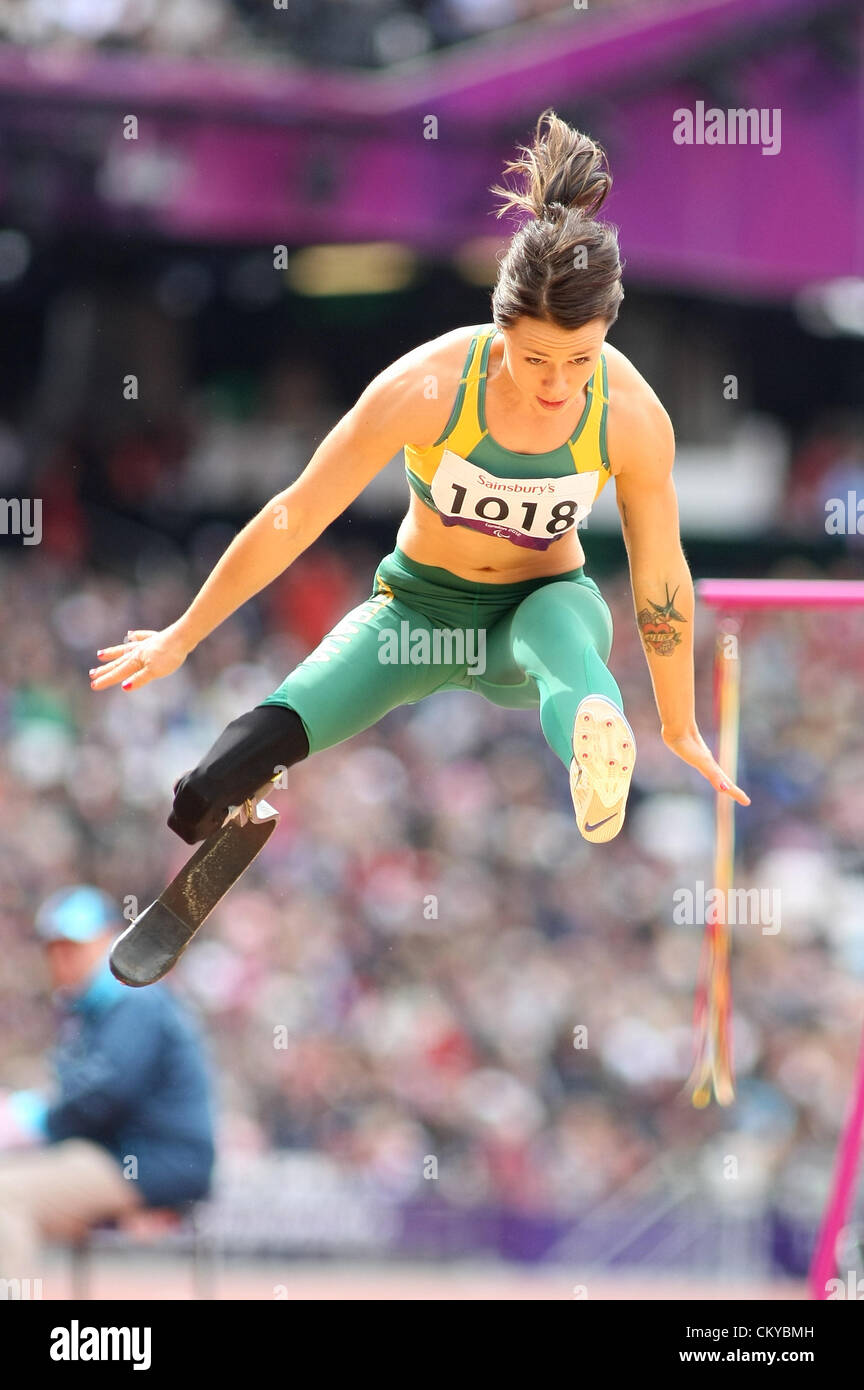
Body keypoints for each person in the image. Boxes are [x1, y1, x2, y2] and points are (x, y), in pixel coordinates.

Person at [90, 109, 748, 856]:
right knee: (215, 779)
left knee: (562, 643)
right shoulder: (428, 388)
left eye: (580, 360)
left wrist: (677, 721)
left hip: (540, 609)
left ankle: (598, 737)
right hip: (418, 617)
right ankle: (226, 796)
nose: (559, 385)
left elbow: (660, 571)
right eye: (536, 360)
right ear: (501, 330)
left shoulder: (629, 415)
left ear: (606, 335)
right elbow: (295, 516)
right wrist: (184, 635)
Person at [0, 886, 215, 1288]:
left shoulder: (134, 998)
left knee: (3, 1196)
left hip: (157, 1162)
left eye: (74, 946)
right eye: (55, 948)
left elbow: (102, 1098)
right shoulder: (91, 1007)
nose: (62, 959)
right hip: (126, 1156)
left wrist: (38, 1122)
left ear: (111, 939)